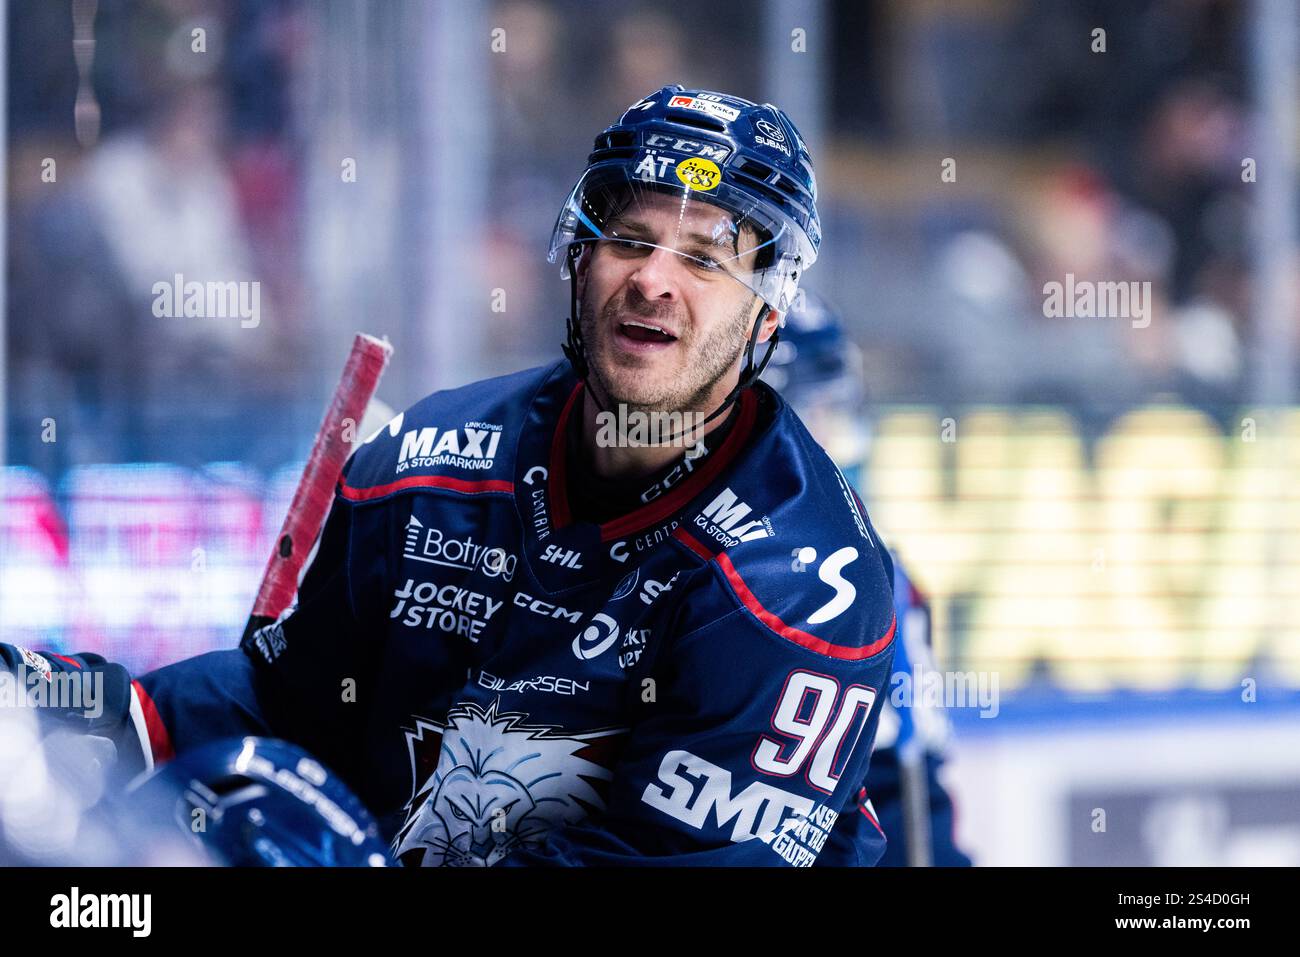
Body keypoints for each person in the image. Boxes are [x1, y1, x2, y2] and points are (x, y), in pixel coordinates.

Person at [1, 86, 898, 866]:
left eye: (705, 255)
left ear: (768, 311)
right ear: (579, 257)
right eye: (629, 238)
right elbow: (296, 706)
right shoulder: (427, 465)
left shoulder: (802, 583)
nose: (654, 279)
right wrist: (82, 701)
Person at [761, 289, 973, 866]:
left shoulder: (875, 579)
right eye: (809, 411)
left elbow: (907, 786)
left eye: (833, 410)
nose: (826, 435)